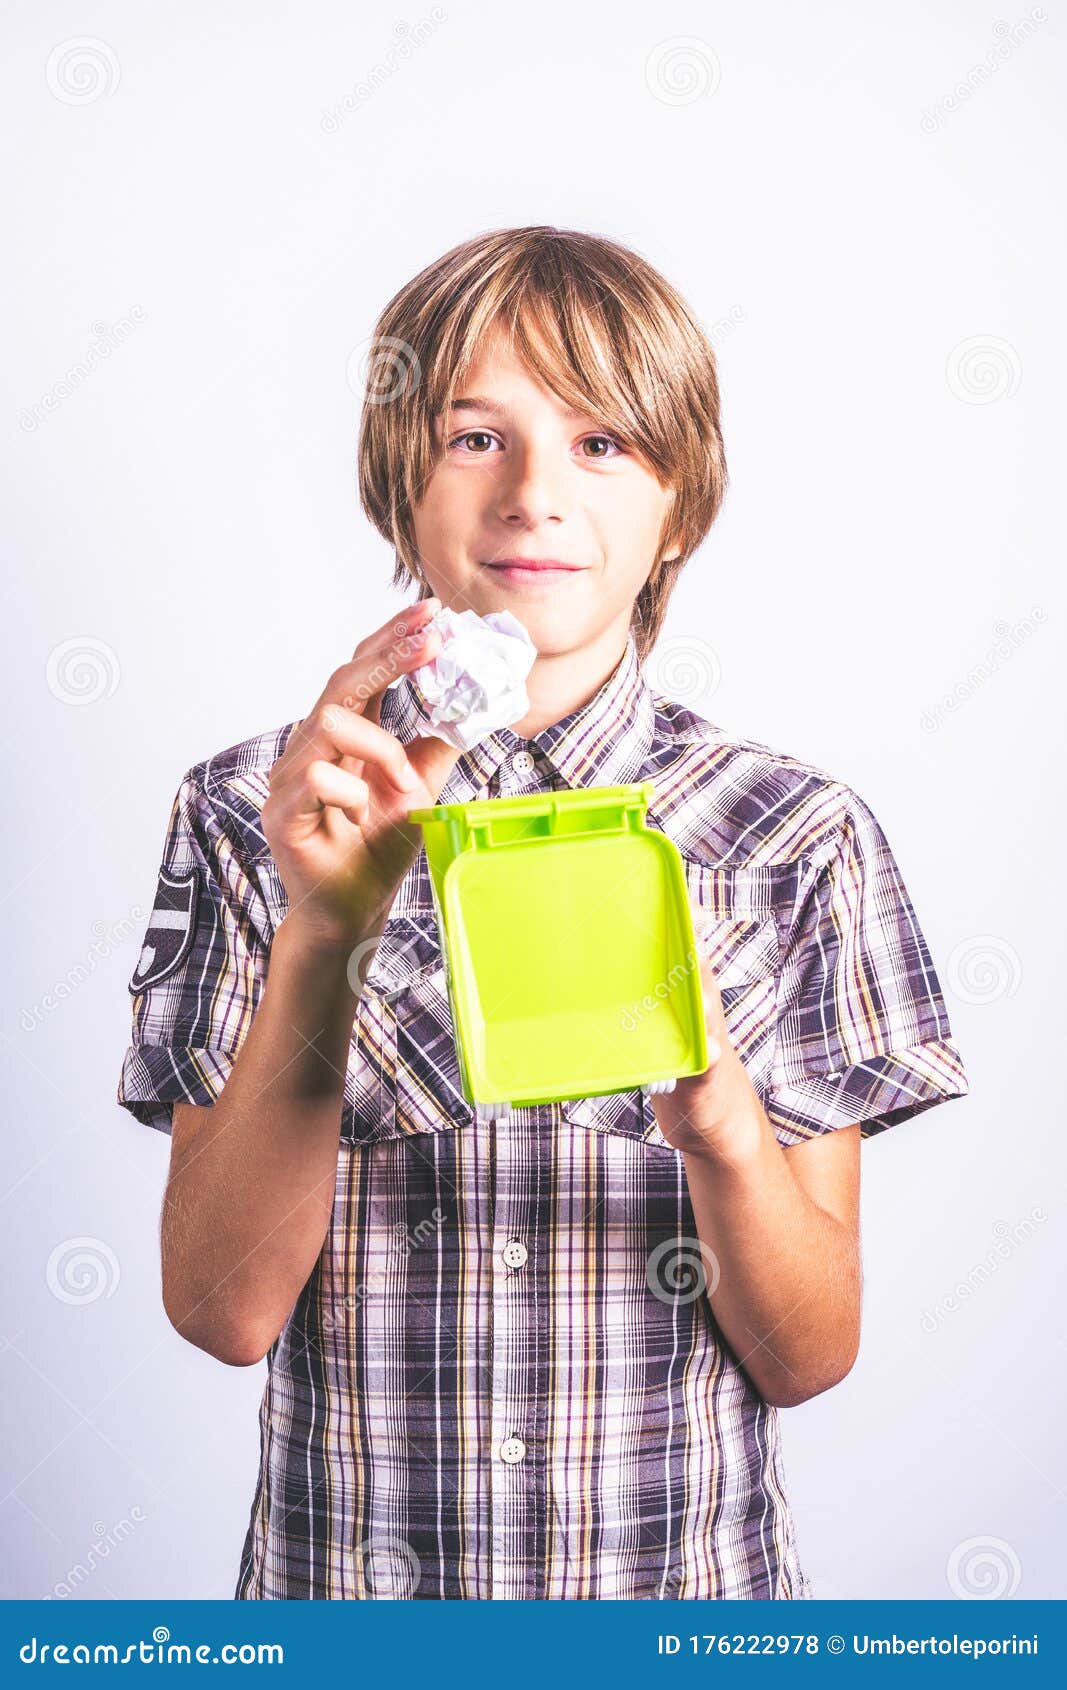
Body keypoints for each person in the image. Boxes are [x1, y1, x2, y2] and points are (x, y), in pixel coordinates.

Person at [117, 226, 970, 1600]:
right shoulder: (246, 813)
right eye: (474, 437)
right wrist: (323, 938)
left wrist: (725, 1130)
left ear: (679, 505)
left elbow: (811, 1353)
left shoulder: (797, 835)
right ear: (399, 488)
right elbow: (222, 1312)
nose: (534, 495)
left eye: (605, 444)